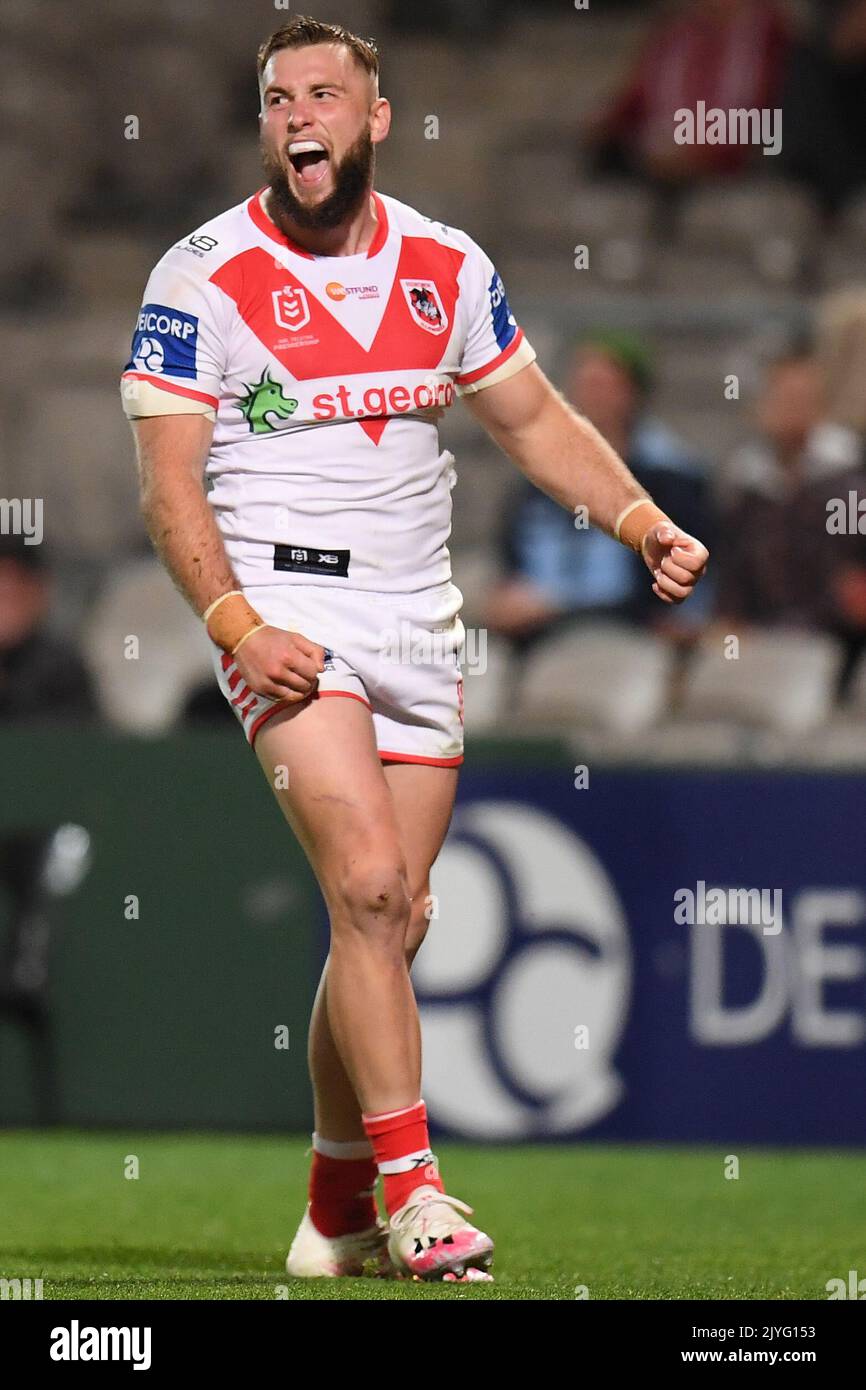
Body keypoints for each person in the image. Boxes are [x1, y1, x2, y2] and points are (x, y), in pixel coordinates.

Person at [120, 15, 708, 1284]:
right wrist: (237, 624)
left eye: (325, 94)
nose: (299, 115)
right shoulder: (202, 273)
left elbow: (530, 418)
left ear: (375, 119)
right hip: (284, 609)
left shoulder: (445, 265)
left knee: (387, 918)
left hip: (416, 617)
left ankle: (333, 1207)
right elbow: (169, 491)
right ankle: (415, 1192)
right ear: (265, 123)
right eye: (278, 98)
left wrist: (636, 516)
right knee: (372, 890)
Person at [487, 331, 714, 647]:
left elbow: (675, 590)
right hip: (539, 638)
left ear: (632, 393)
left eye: (603, 385)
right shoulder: (537, 484)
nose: (591, 396)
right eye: (584, 384)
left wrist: (559, 604)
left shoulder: (672, 480)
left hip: (629, 635)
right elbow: (512, 564)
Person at [716, 346, 866, 683]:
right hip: (763, 641)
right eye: (782, 396)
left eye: (802, 397)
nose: (791, 408)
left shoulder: (852, 484)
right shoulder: (746, 489)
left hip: (839, 647)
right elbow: (733, 580)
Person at [586, 0, 790, 185]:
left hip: (735, 162)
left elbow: (761, 113)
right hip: (660, 154)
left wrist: (701, 152)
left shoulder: (768, 35)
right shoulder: (675, 33)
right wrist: (606, 122)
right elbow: (636, 99)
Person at [0, 536, 98, 723]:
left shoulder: (62, 670)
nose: (5, 597)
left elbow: (61, 741)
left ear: (38, 591)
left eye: (16, 588)